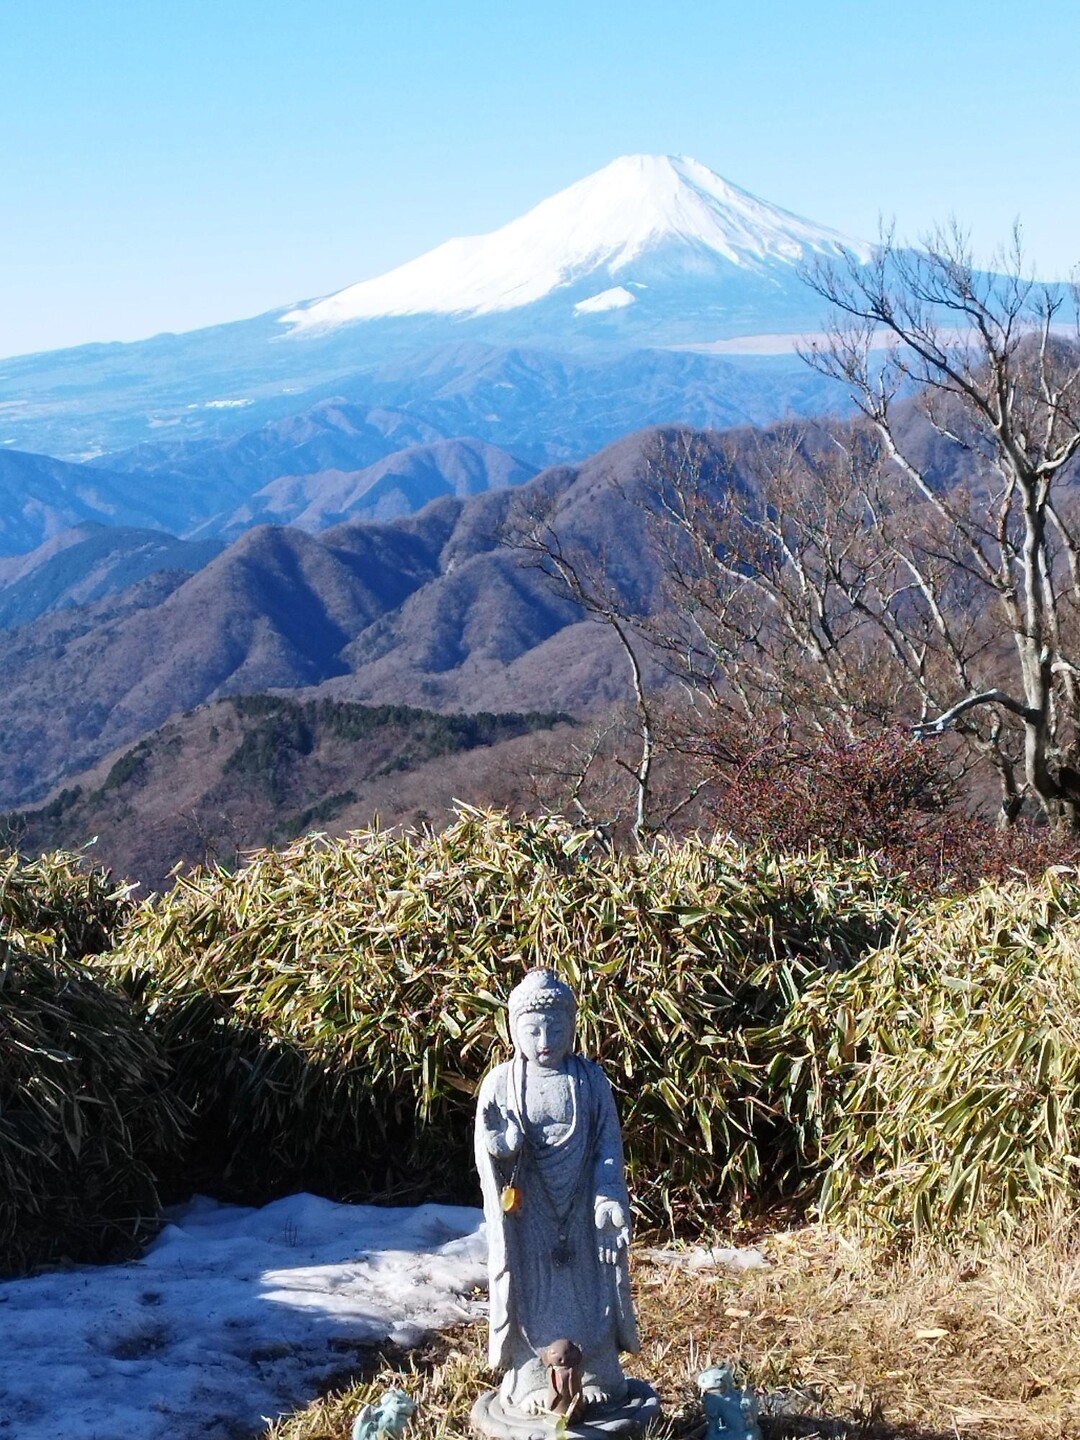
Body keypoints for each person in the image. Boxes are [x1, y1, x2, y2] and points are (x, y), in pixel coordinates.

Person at [474, 967, 640, 1417]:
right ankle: (530, 1379)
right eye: (533, 1030)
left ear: (572, 1027)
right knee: (530, 1293)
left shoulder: (590, 1080)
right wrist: (501, 1145)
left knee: (594, 1287)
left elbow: (608, 1145)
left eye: (556, 1028)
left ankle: (597, 1373)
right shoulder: (503, 1082)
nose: (545, 1039)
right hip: (529, 1212)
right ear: (514, 1031)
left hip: (584, 1208)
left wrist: (608, 1197)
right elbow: (495, 1149)